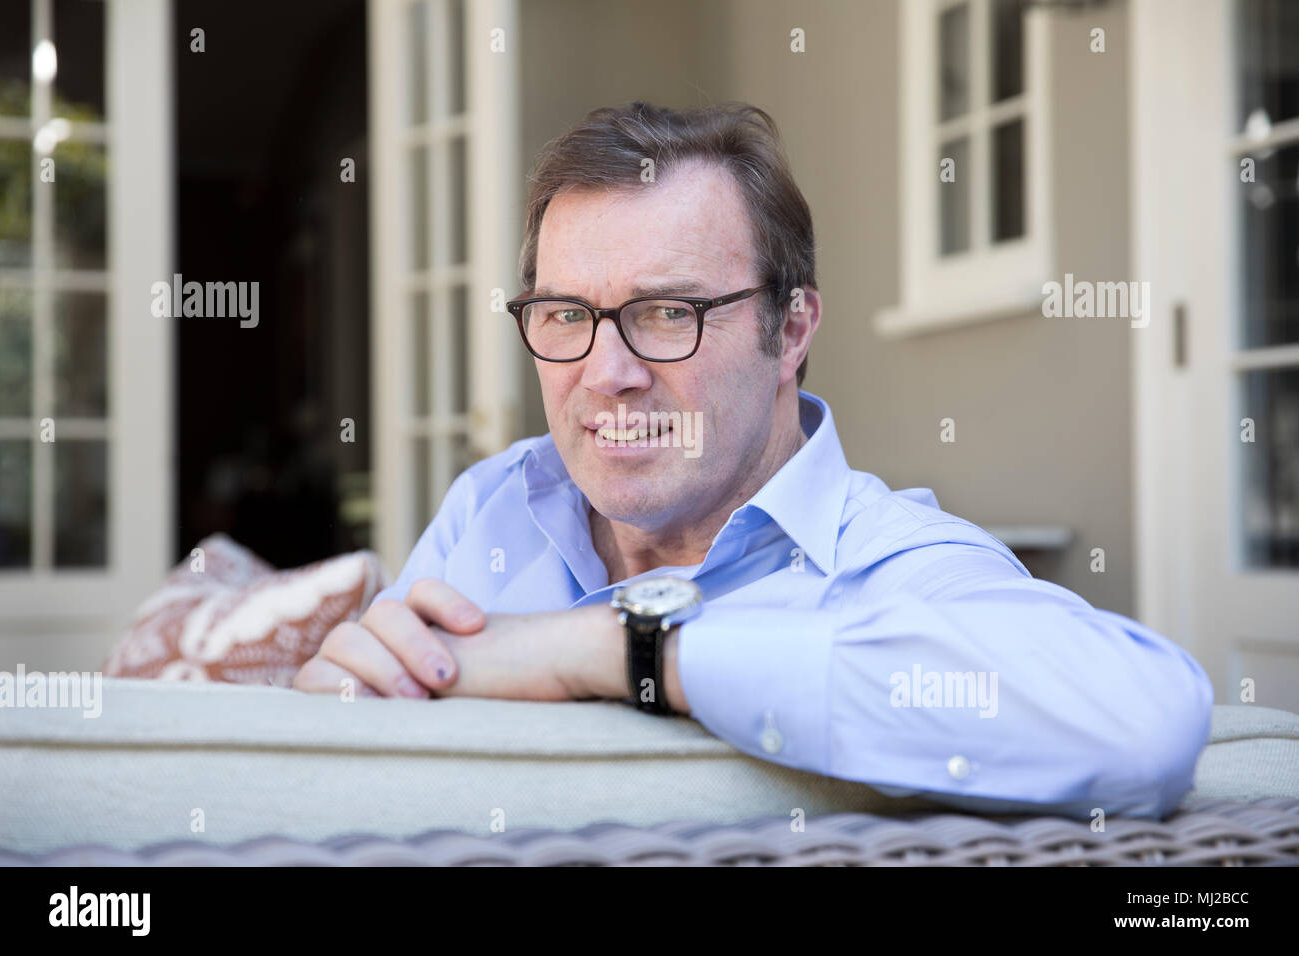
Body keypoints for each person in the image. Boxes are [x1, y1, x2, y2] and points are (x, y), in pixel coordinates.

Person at [294, 101, 1213, 819]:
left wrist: (619, 652)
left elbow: (1144, 727)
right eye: (568, 316)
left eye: (667, 314)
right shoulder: (497, 503)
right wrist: (319, 713)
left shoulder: (887, 564)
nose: (606, 376)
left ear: (791, 329)